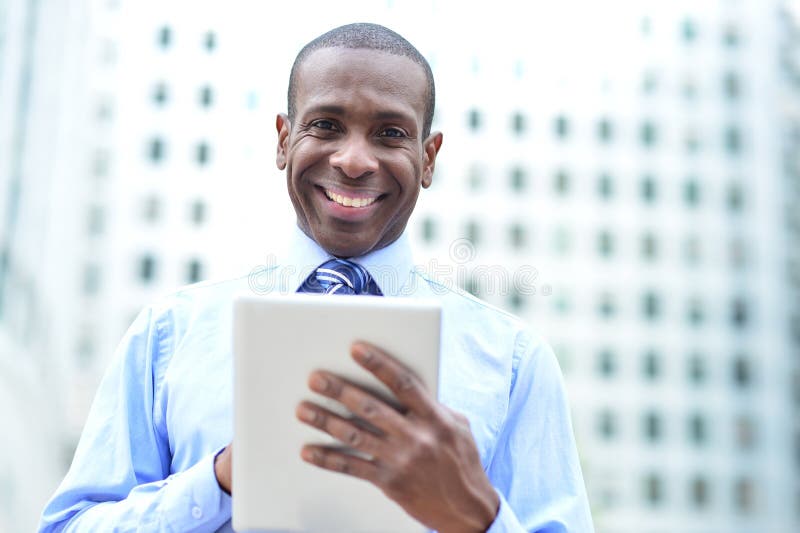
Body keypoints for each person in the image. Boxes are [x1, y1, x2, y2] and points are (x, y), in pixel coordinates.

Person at [40, 23, 594, 532]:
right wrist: (220, 481)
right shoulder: (170, 333)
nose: (354, 160)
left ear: (429, 158)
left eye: (390, 134)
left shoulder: (514, 361)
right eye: (326, 125)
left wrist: (477, 517)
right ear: (284, 140)